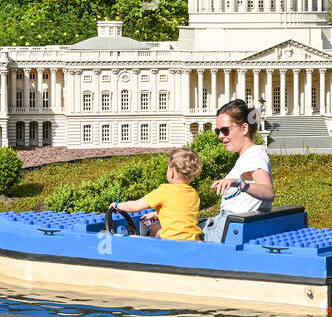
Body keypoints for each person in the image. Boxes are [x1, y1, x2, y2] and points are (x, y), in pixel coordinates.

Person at [203, 99, 274, 241]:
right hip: (226, 226)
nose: (220, 136)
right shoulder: (248, 156)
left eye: (225, 130)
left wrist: (239, 183)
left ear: (244, 129)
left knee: (158, 229)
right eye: (218, 131)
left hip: (227, 230)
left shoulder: (254, 155)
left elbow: (268, 192)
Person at [110, 148, 203, 241]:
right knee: (157, 225)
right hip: (193, 241)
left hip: (172, 242)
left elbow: (135, 207)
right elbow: (183, 214)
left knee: (155, 228)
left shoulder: (165, 190)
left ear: (172, 172)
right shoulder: (193, 194)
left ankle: (151, 252)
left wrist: (117, 205)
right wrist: (158, 213)